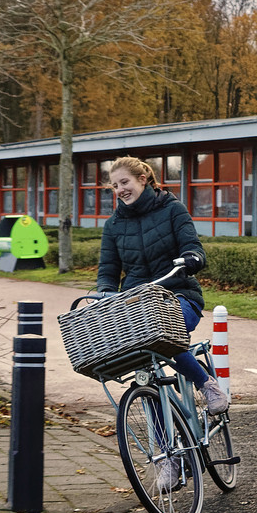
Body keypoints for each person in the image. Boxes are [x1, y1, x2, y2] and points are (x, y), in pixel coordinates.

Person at [97, 156, 230, 420]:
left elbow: (192, 245)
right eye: (115, 186)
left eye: (125, 182)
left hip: (179, 294)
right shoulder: (112, 226)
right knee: (142, 375)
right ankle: (164, 449)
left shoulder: (172, 209)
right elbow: (108, 271)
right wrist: (105, 292)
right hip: (136, 302)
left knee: (161, 330)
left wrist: (193, 258)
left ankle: (206, 384)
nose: (120, 189)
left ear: (142, 180)